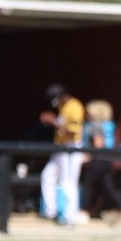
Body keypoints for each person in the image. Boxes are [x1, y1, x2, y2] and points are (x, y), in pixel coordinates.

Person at [40, 85, 86, 225]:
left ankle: (69, 217)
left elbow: (73, 133)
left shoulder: (75, 107)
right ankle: (50, 212)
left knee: (68, 181)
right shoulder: (63, 107)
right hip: (60, 146)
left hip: (72, 147)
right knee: (47, 175)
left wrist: (53, 121)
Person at [79, 99, 121, 219]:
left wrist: (87, 155)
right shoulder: (109, 125)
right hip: (107, 159)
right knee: (108, 187)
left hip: (99, 159)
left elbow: (99, 143)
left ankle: (84, 211)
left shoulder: (96, 125)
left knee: (87, 184)